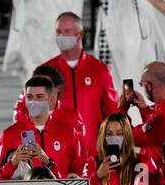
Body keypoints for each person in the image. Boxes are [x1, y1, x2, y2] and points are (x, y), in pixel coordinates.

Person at [40, 11, 118, 157]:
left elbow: (112, 111)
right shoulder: (46, 71)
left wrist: (114, 149)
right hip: (56, 157)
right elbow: (26, 113)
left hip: (94, 156)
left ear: (80, 34)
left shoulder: (99, 69)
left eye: (67, 31)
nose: (61, 36)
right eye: (58, 32)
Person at [122, 60, 165, 162]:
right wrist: (144, 109)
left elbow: (126, 137)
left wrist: (123, 108)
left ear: (148, 86)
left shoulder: (161, 118)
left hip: (161, 174)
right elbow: (156, 131)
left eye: (142, 85)